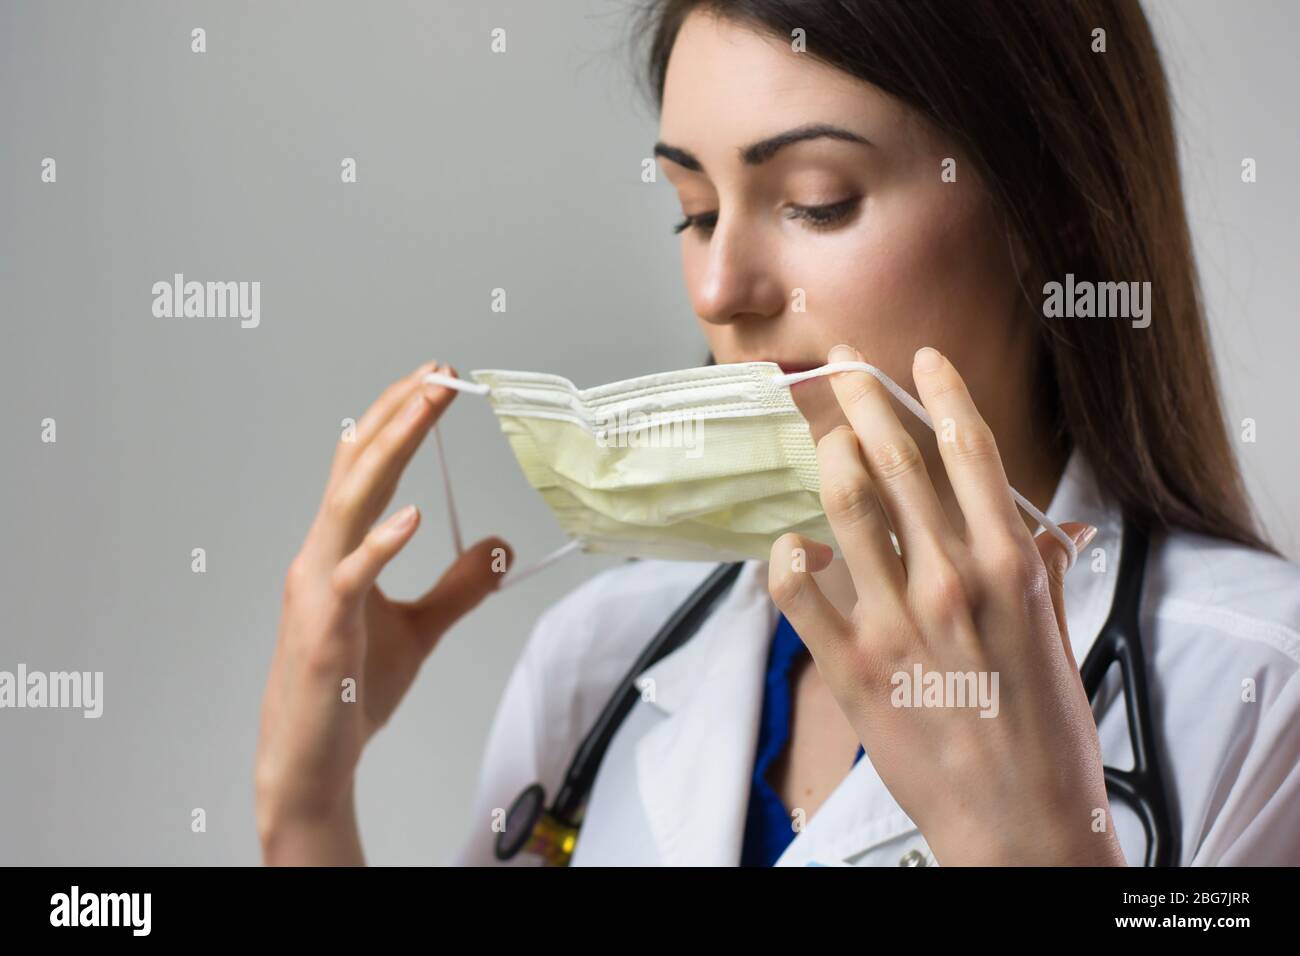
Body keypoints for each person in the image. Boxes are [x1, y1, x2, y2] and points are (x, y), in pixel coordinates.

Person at [254, 0, 1300, 866]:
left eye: (815, 202)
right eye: (696, 211)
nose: (720, 289)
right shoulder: (595, 660)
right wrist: (304, 807)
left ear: (1053, 218)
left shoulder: (1261, 693)